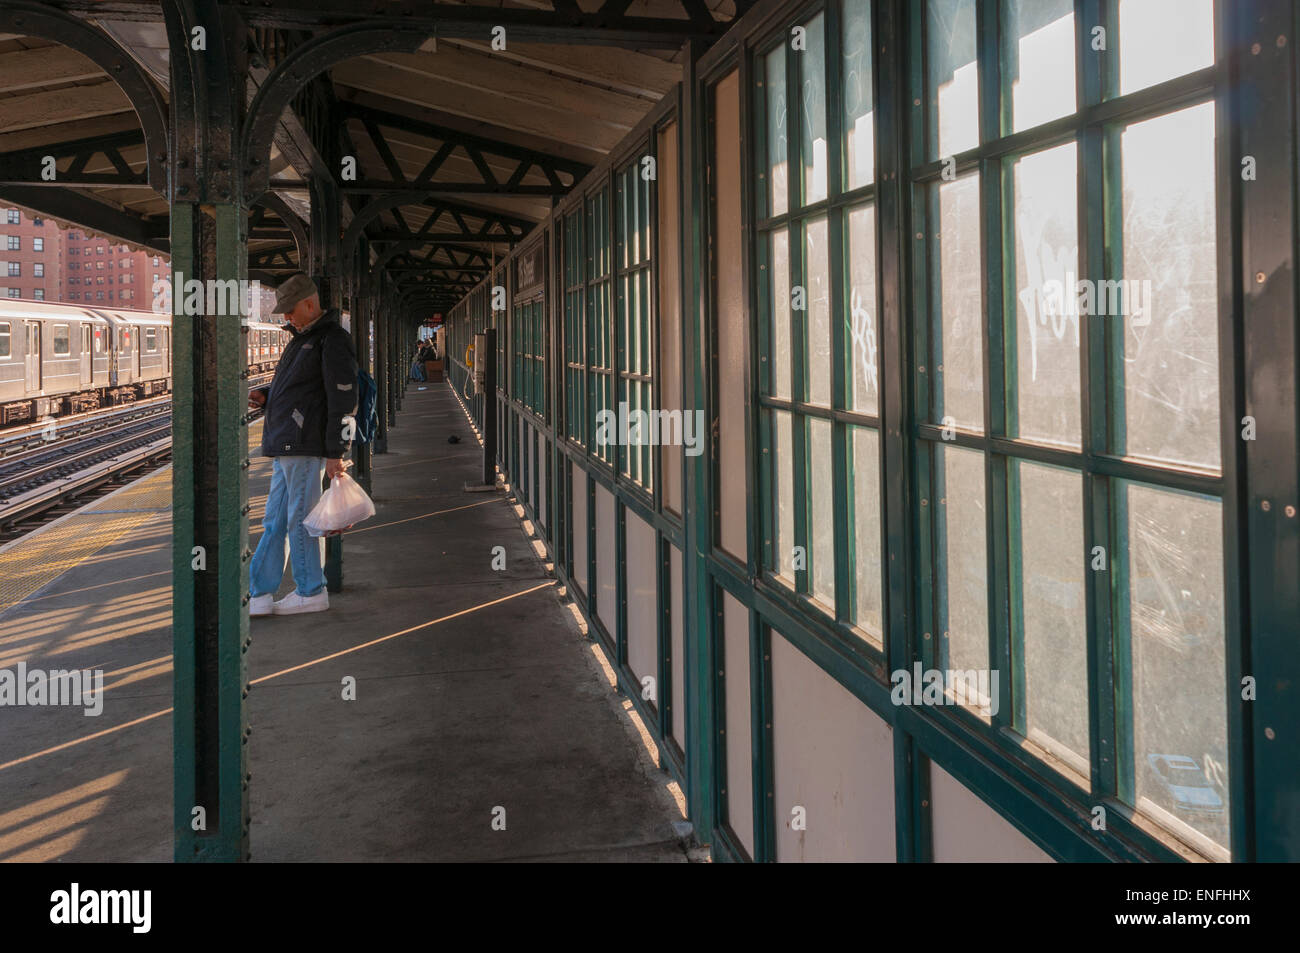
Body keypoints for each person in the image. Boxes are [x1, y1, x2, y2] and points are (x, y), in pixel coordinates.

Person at [246, 273, 358, 616]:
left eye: (290, 310)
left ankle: (311, 591)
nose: (286, 317)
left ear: (309, 304)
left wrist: (336, 452)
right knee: (275, 521)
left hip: (305, 445)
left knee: (298, 519)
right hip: (287, 445)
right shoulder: (303, 337)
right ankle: (260, 594)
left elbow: (343, 399)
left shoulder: (332, 339)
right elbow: (302, 390)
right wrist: (269, 397)